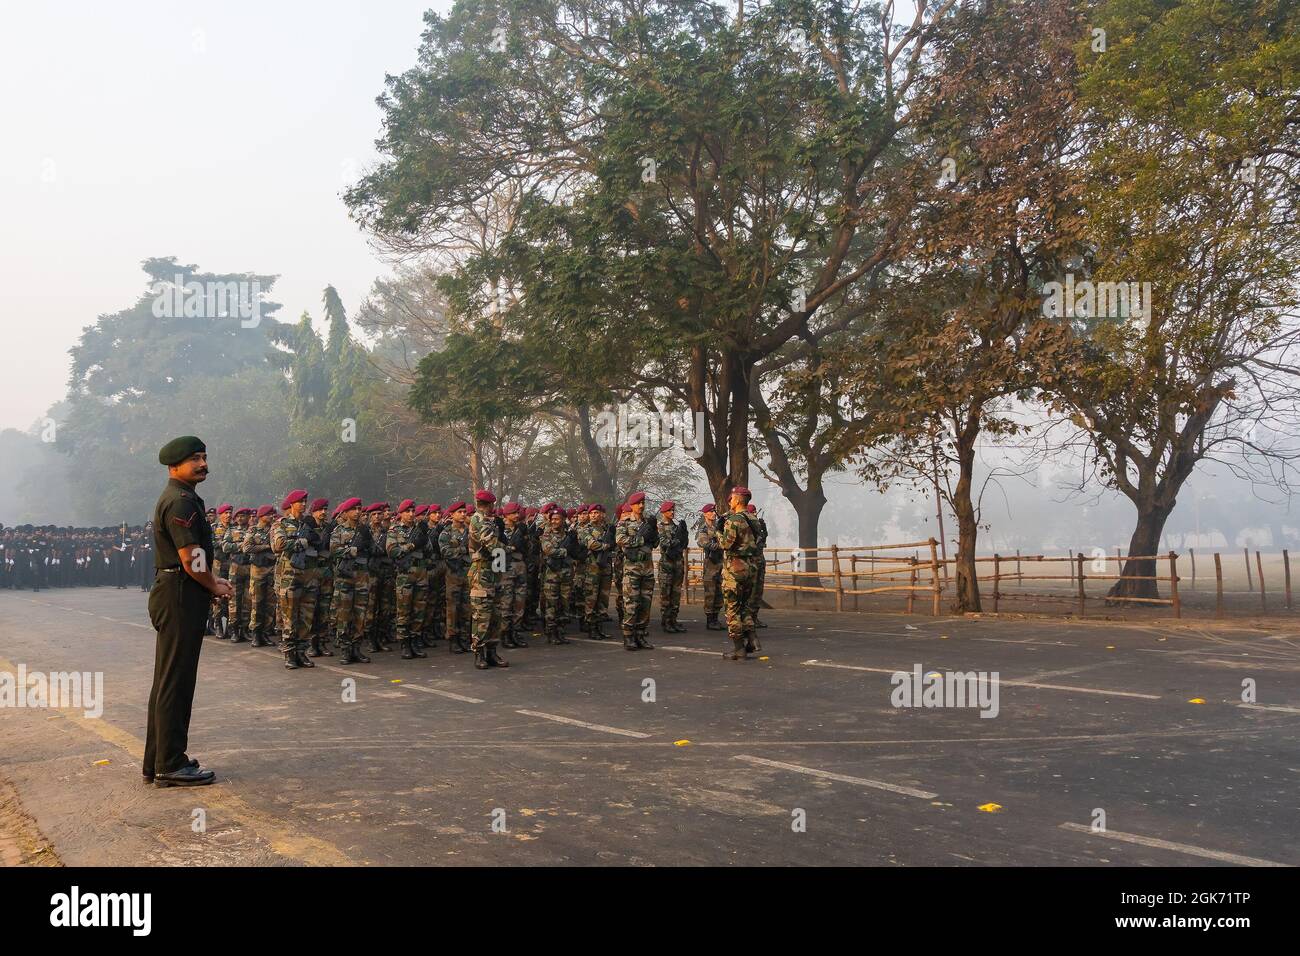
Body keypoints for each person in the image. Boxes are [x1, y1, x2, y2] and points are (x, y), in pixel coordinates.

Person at [143, 436, 231, 788]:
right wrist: (213, 584)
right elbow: (190, 557)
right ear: (174, 466)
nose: (203, 463)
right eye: (195, 458)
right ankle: (171, 763)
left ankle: (158, 761)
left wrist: (207, 581)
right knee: (176, 681)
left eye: (205, 457)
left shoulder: (181, 498)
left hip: (177, 591)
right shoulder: (181, 502)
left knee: (168, 680)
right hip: (180, 594)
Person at [716, 486, 762, 660]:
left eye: (732, 498)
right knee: (745, 606)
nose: (730, 501)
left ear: (737, 500)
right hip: (750, 566)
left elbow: (726, 544)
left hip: (735, 569)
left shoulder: (734, 520)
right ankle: (752, 639)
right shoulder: (752, 518)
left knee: (732, 609)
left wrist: (718, 531)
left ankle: (738, 648)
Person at [614, 491, 657, 650]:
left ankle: (640, 635)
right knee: (631, 604)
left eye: (643, 503)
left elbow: (655, 543)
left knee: (645, 604)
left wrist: (654, 531)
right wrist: (641, 538)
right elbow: (620, 540)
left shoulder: (647, 522)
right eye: (638, 503)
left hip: (647, 569)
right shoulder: (624, 523)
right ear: (631, 505)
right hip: (632, 570)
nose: (641, 506)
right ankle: (628, 636)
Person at [656, 500, 688, 633]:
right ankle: (666, 621)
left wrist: (683, 535)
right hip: (666, 565)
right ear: (663, 512)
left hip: (678, 564)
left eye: (673, 510)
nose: (672, 512)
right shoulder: (660, 526)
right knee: (666, 595)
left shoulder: (676, 527)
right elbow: (663, 542)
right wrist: (677, 540)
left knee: (675, 594)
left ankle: (673, 620)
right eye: (669, 510)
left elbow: (683, 544)